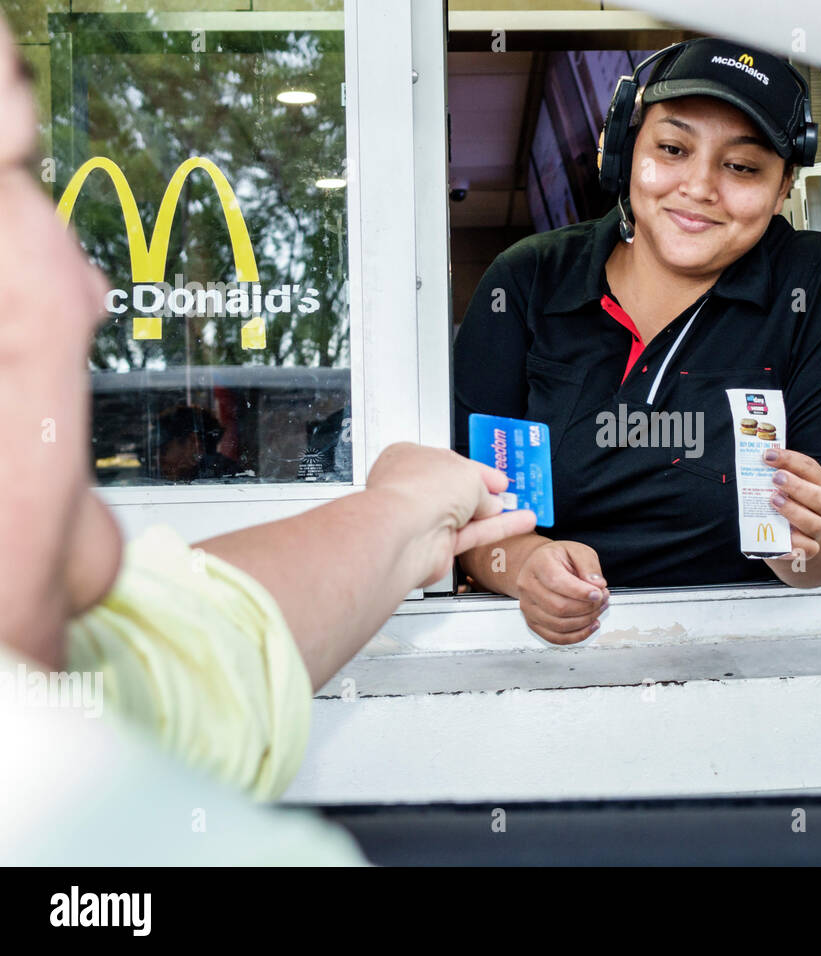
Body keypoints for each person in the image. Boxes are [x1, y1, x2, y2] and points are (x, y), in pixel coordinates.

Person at [0, 8, 532, 853]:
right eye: (12, 181)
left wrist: (401, 513)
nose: (91, 289)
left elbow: (212, 643)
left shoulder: (71, 697)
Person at [454, 38, 821, 644]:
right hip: (541, 664)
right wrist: (528, 565)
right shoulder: (529, 282)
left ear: (782, 184)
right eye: (672, 149)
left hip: (750, 658)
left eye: (741, 166)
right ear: (623, 151)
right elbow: (472, 518)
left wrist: (805, 543)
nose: (699, 187)